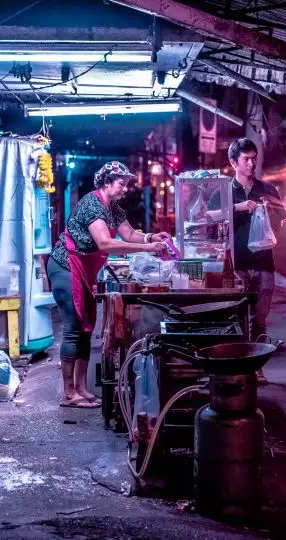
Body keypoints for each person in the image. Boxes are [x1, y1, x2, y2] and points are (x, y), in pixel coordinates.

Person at [48, 161, 171, 408]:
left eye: (126, 184)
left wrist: (150, 237)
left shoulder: (112, 207)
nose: (125, 188)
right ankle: (69, 394)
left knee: (85, 329)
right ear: (106, 183)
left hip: (84, 272)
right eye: (121, 183)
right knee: (73, 328)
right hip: (65, 268)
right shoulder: (92, 204)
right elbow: (105, 243)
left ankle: (82, 389)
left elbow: (128, 235)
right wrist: (147, 249)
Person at [208, 138, 286, 379]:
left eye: (254, 158)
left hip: (264, 263)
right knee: (236, 317)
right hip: (235, 264)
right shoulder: (224, 191)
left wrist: (268, 211)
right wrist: (238, 208)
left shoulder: (268, 190)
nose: (251, 163)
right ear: (234, 162)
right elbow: (210, 218)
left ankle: (257, 369)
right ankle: (237, 368)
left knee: (260, 319)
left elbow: (280, 222)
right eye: (246, 159)